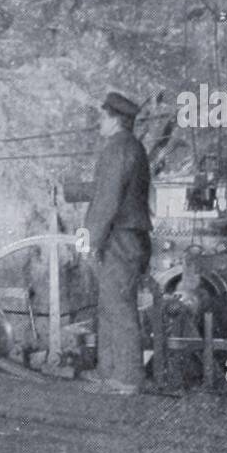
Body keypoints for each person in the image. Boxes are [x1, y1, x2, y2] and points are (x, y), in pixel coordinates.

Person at [84, 91, 152, 395]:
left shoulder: (118, 148)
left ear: (115, 120)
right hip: (124, 235)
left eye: (103, 116)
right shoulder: (128, 147)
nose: (99, 121)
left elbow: (106, 199)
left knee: (120, 307)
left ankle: (127, 378)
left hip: (120, 237)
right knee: (110, 304)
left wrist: (90, 240)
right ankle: (110, 374)